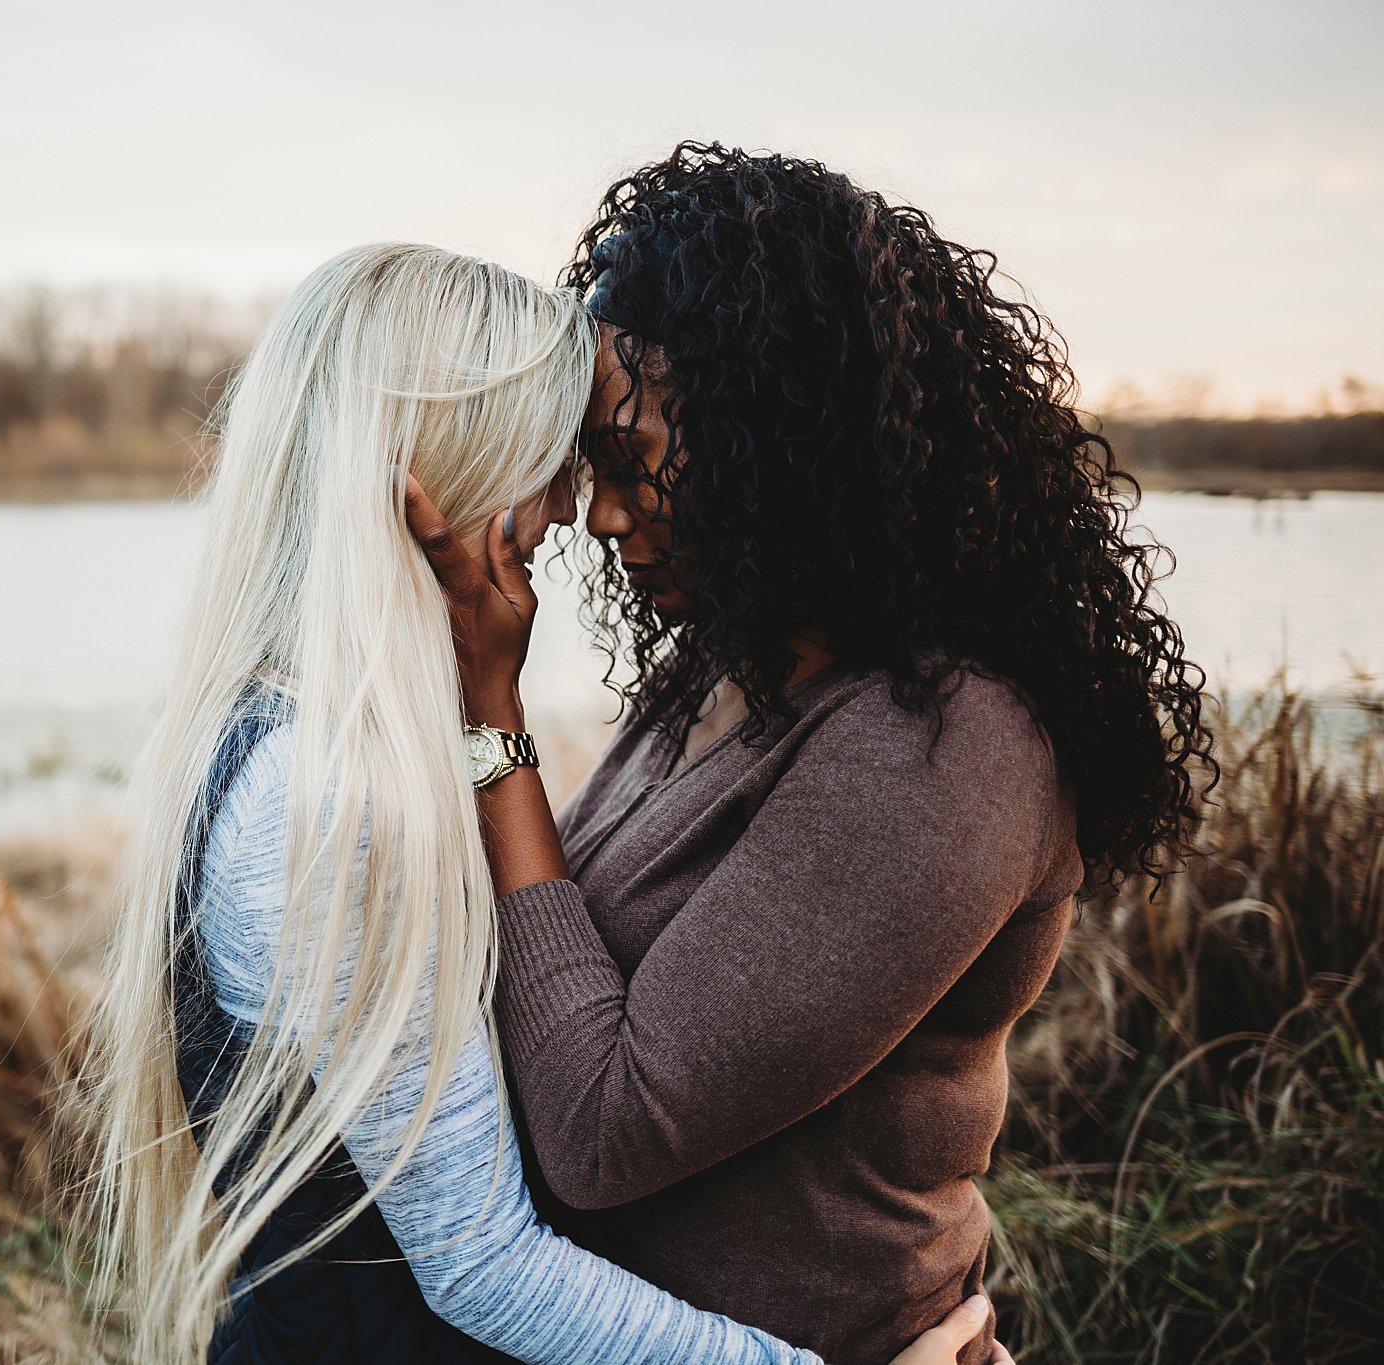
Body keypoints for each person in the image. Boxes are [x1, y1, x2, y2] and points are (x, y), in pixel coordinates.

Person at [80, 242, 1012, 1365]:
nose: (569, 508)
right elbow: (482, 1267)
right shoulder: (325, 801)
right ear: (436, 472)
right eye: (549, 460)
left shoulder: (279, 737)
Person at [405, 143, 1215, 1365]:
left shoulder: (948, 746)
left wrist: (489, 716)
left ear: (777, 442)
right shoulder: (723, 664)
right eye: (592, 465)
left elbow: (602, 1125)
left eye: (629, 463)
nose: (605, 517)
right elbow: (548, 961)